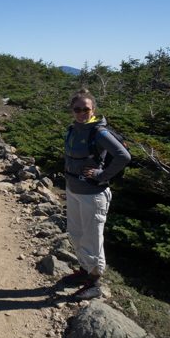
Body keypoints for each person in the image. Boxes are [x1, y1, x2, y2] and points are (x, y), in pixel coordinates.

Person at [61, 88, 130, 299]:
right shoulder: (74, 129)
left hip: (93, 193)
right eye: (78, 109)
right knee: (76, 233)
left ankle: (95, 281)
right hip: (73, 190)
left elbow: (123, 156)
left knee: (92, 238)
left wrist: (102, 175)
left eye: (86, 109)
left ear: (94, 110)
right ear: (72, 110)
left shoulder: (99, 132)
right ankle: (85, 270)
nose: (82, 112)